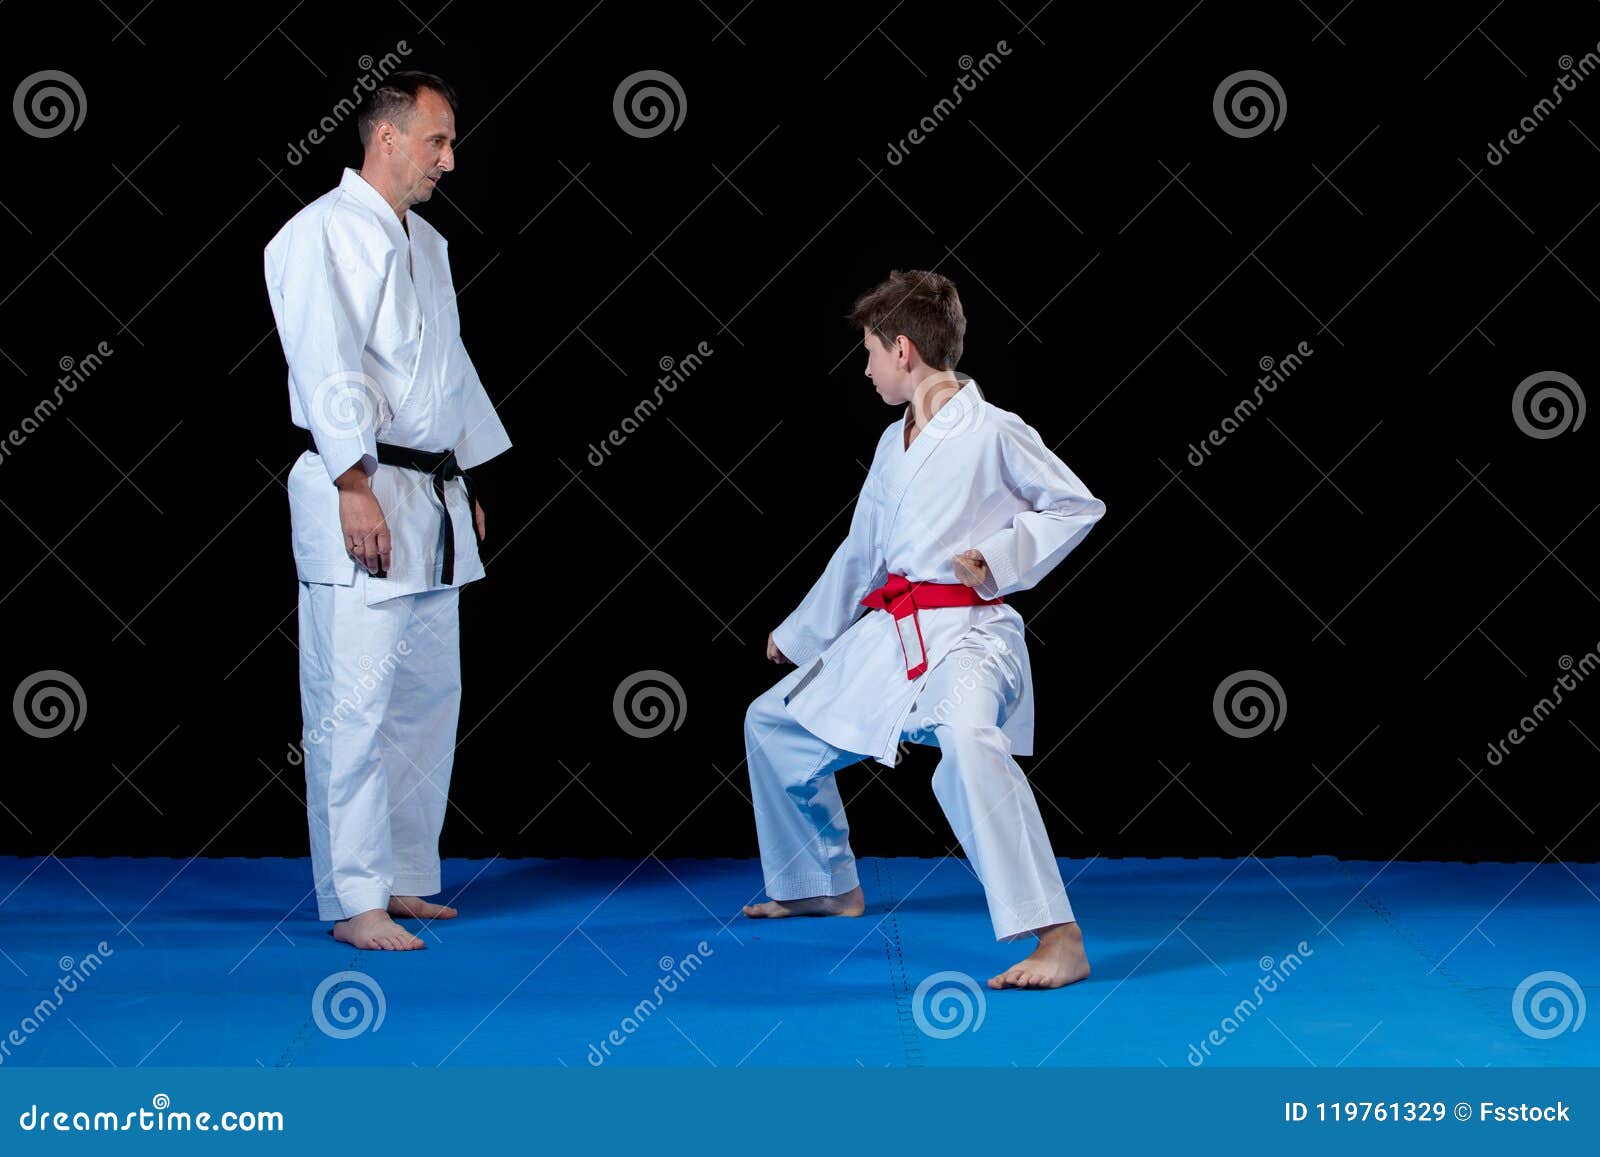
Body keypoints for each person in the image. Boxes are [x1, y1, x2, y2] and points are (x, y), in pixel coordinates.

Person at [742, 270, 1106, 989]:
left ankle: (1057, 934)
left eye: (871, 352)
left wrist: (997, 557)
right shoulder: (891, 443)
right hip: (893, 635)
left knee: (969, 741)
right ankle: (823, 882)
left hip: (970, 634)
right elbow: (860, 554)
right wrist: (802, 632)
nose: (868, 368)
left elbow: (1075, 505)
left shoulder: (996, 429)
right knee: (771, 724)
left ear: (903, 350)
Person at [263, 71, 511, 951]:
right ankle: (355, 897)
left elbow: (446, 368)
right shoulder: (316, 235)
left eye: (450, 144)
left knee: (424, 698)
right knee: (353, 702)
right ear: (387, 138)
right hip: (362, 488)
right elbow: (326, 362)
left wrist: (468, 473)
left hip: (429, 492)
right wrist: (352, 483)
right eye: (438, 142)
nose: (449, 160)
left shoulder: (428, 244)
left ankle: (404, 875)